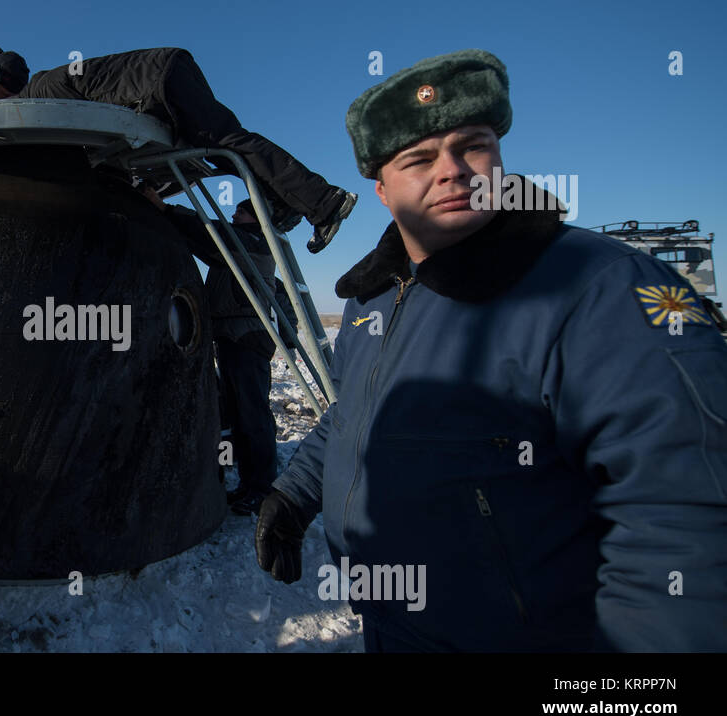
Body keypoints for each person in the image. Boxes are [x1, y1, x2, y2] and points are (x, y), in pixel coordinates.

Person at [251, 49, 727, 652]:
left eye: (472, 145)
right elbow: (350, 415)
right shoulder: (373, 300)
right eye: (419, 158)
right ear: (381, 190)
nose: (452, 171)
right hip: (394, 625)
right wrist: (294, 495)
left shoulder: (598, 289)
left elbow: (684, 523)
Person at [18, 48, 357, 253]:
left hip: (160, 81)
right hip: (167, 72)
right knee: (221, 154)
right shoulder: (50, 82)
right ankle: (285, 201)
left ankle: (324, 202)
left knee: (228, 142)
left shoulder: (41, 92)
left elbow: (79, 134)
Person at [153, 195, 300, 516]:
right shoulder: (238, 247)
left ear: (259, 219)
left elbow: (209, 234)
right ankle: (248, 485)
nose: (235, 215)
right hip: (232, 339)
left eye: (243, 212)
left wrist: (166, 210)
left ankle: (262, 489)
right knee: (237, 416)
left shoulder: (253, 243)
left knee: (254, 417)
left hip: (247, 340)